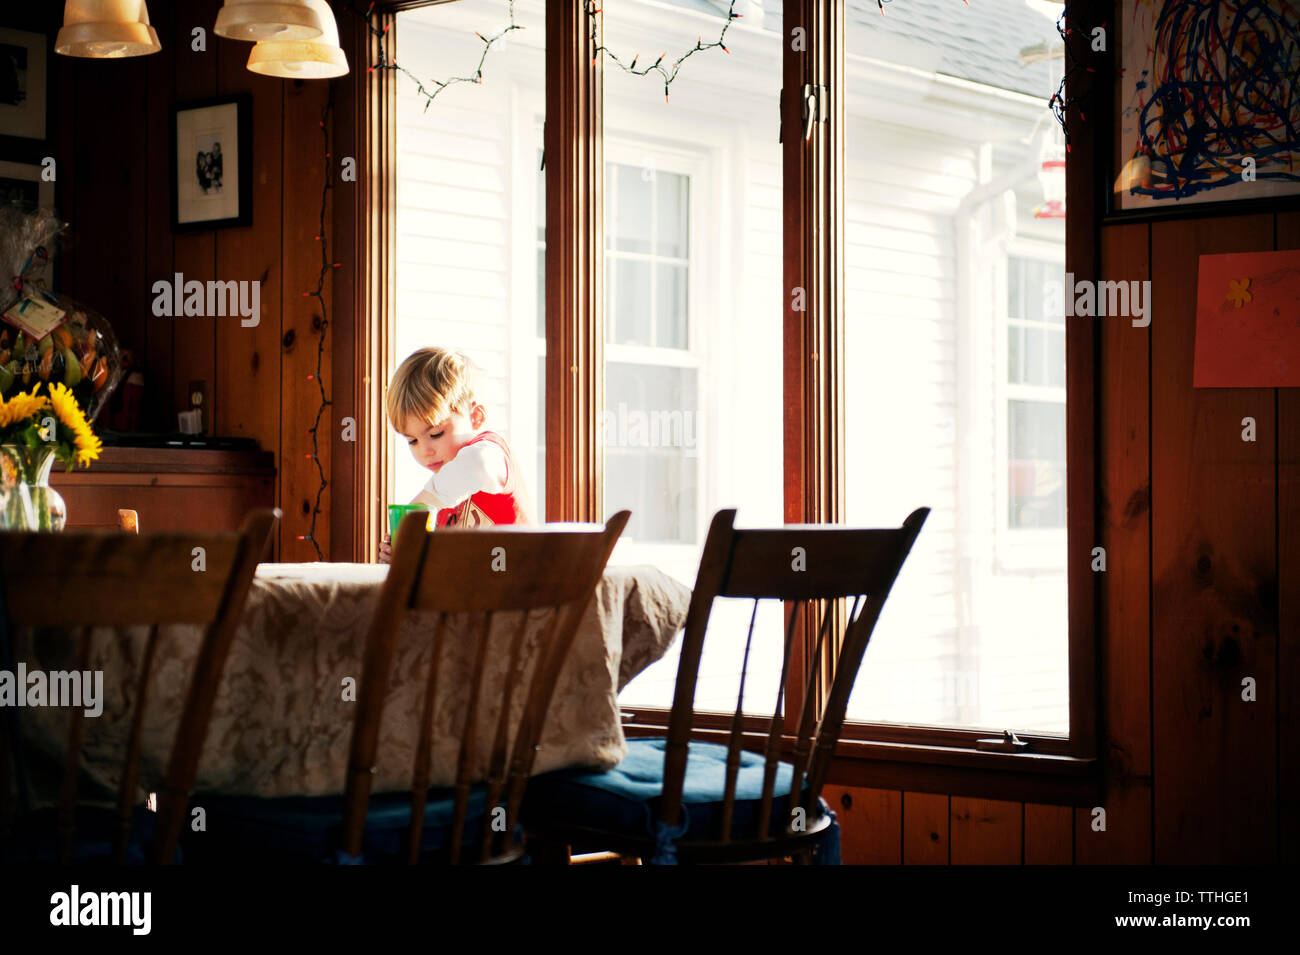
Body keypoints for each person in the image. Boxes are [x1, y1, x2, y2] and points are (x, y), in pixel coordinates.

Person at [378, 347, 534, 563]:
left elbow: (478, 464)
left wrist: (414, 516)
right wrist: (404, 556)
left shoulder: (491, 452)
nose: (425, 451)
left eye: (435, 433)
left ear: (476, 417)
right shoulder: (444, 505)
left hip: (522, 586)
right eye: (412, 440)